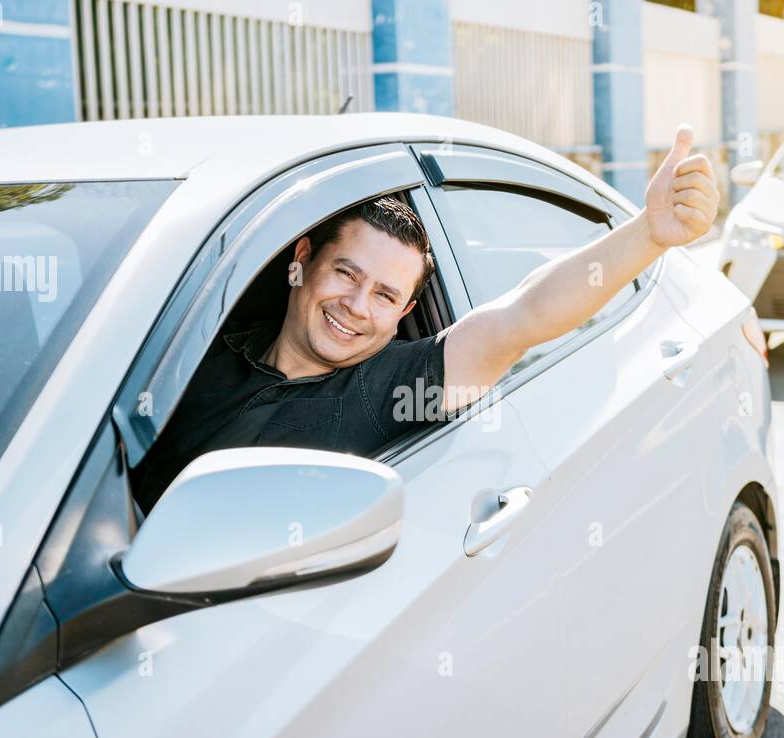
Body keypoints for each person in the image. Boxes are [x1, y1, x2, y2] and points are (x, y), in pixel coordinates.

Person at [133, 125, 719, 513]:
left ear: (405, 314)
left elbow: (521, 317)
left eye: (386, 296)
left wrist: (648, 235)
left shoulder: (383, 390)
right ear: (303, 260)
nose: (358, 308)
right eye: (346, 274)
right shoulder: (196, 341)